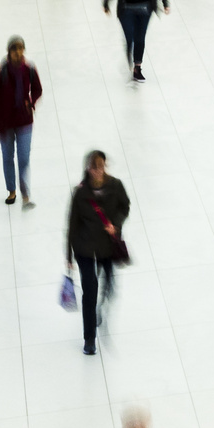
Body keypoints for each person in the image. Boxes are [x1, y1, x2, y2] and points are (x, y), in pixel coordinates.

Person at [65, 150, 130, 355]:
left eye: (101, 167)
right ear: (88, 168)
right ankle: (89, 338)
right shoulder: (80, 193)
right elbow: (72, 224)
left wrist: (116, 225)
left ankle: (98, 310)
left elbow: (125, 206)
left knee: (110, 286)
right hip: (84, 249)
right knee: (89, 291)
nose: (97, 171)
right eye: (94, 168)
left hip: (107, 247)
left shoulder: (115, 186)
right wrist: (68, 256)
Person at [0, 36, 43, 208]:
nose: (18, 52)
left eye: (20, 49)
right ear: (9, 52)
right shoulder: (1, 71)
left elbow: (38, 89)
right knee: (8, 157)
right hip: (5, 122)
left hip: (24, 119)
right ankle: (12, 190)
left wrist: (31, 102)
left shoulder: (30, 69)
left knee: (24, 158)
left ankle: (25, 193)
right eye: (14, 49)